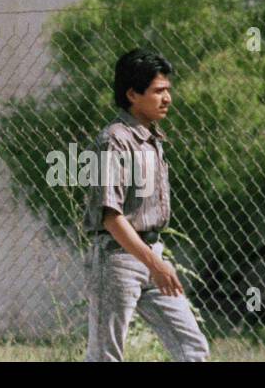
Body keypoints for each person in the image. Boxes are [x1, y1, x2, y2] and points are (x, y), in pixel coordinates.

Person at [82, 48, 209, 361]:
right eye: (158, 91)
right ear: (132, 94)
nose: (167, 99)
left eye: (168, 90)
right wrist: (155, 264)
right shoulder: (113, 140)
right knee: (105, 356)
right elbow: (111, 217)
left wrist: (155, 261)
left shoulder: (152, 138)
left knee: (193, 348)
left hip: (153, 254)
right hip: (117, 259)